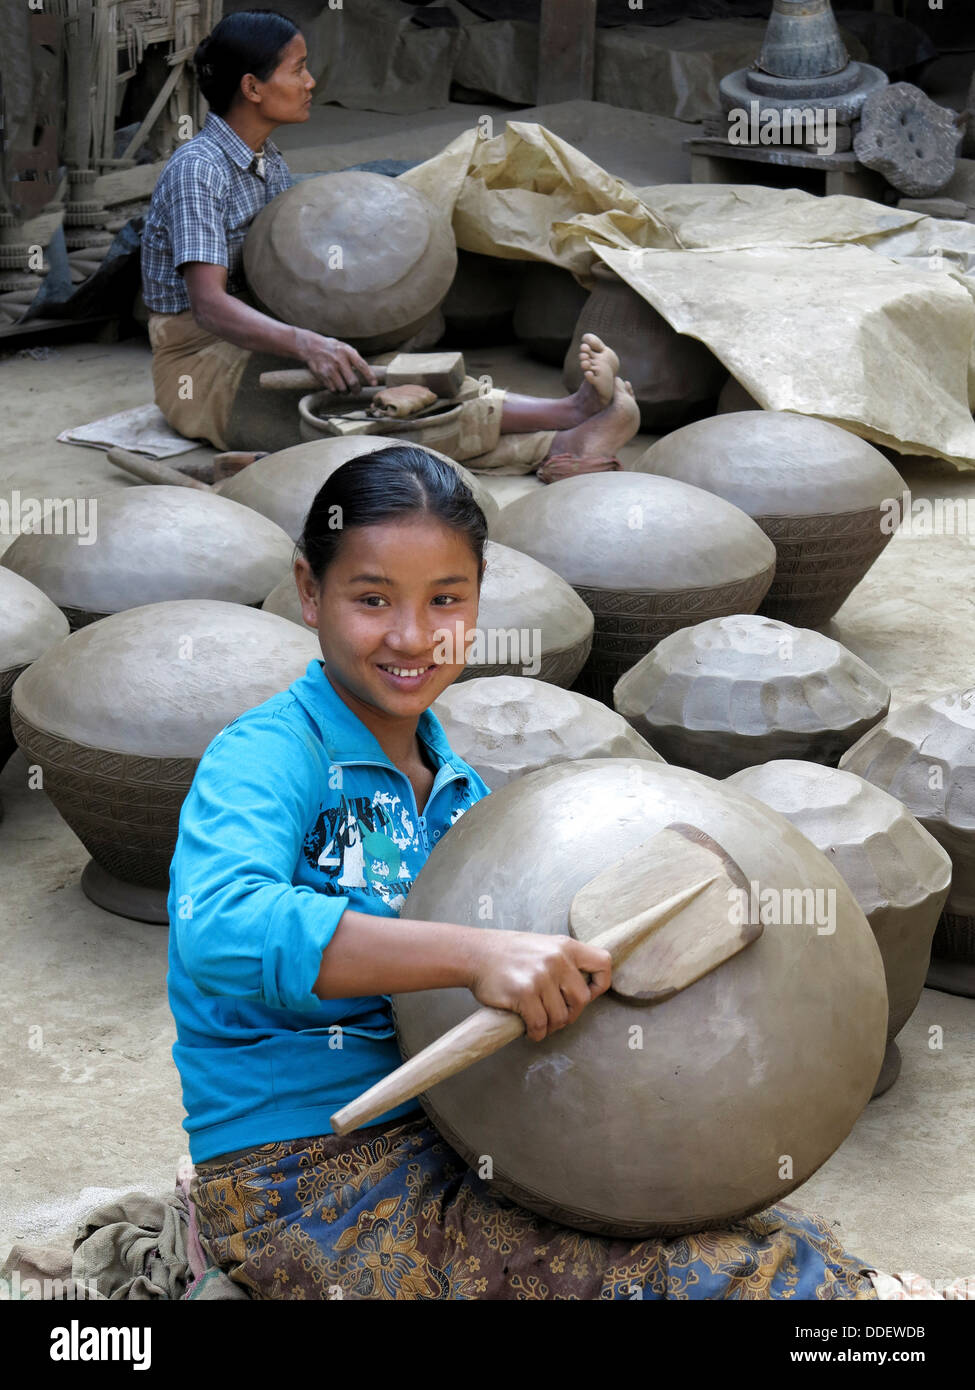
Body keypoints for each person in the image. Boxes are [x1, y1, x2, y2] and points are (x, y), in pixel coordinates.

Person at [170, 443, 880, 1300]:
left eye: (445, 601)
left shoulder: (462, 795)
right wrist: (475, 956)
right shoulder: (268, 754)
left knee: (786, 1242)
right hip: (308, 1175)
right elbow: (220, 929)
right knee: (756, 1288)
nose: (409, 636)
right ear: (308, 590)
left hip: (462, 1138)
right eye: (370, 600)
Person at [140, 11, 641, 472]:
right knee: (357, 423)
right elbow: (208, 307)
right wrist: (305, 342)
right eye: (298, 70)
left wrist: (346, 332)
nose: (311, 82)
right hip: (201, 366)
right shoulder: (199, 172)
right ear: (252, 87)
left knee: (399, 380)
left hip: (258, 337)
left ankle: (570, 413)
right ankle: (558, 443)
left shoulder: (266, 159)